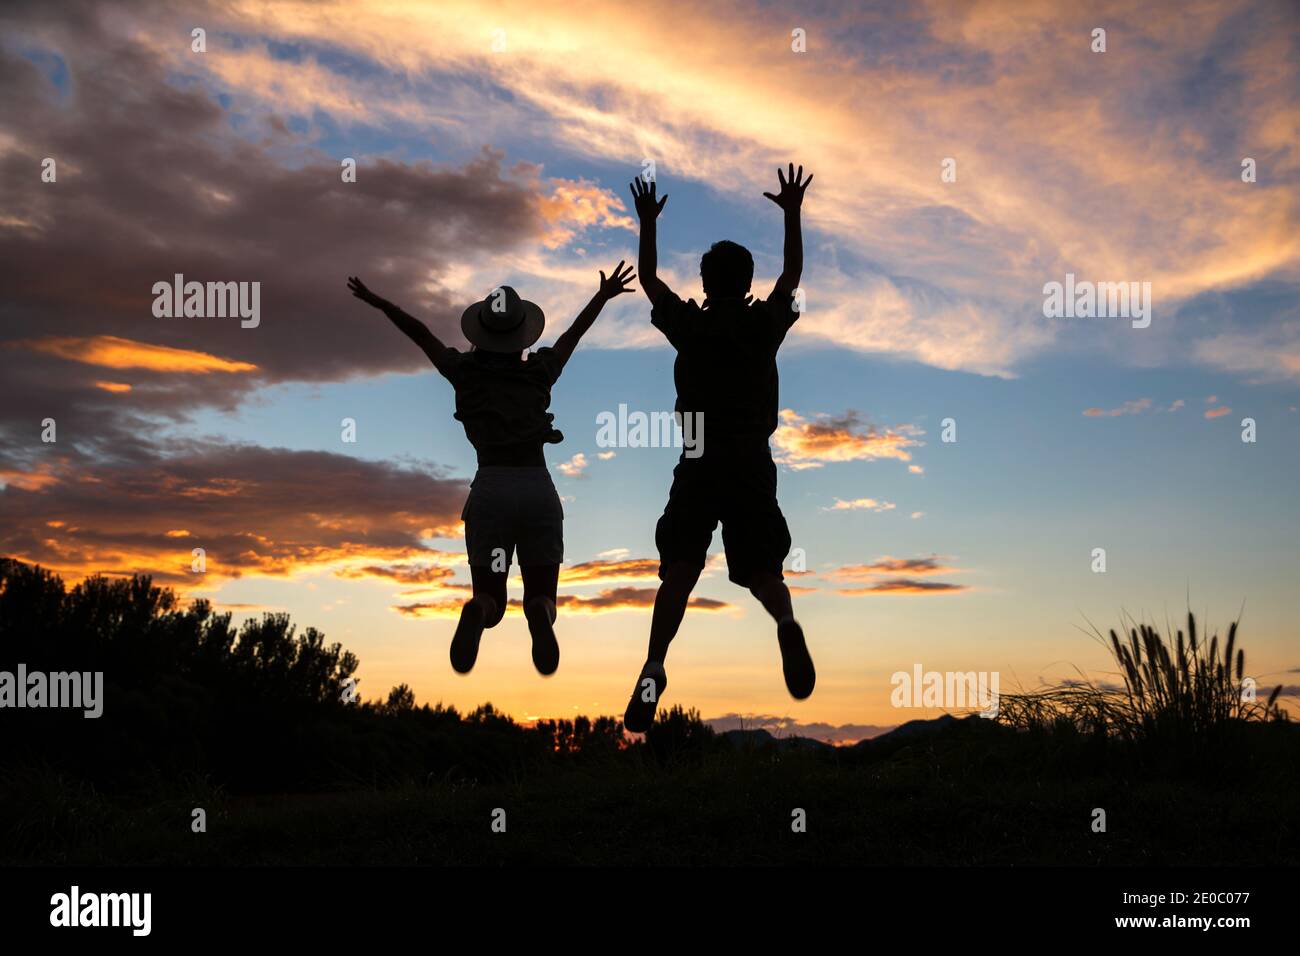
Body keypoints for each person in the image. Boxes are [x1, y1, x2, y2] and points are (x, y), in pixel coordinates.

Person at [347, 263, 635, 676]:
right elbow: (573, 337)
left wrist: (380, 303)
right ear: (521, 337)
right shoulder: (539, 372)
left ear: (480, 333)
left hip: (491, 491)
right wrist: (601, 297)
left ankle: (478, 610)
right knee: (542, 595)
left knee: (492, 599)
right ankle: (539, 614)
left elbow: (422, 334)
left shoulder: (464, 373)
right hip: (537, 490)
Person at [622, 165, 815, 732]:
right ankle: (784, 622)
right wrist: (792, 212)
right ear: (746, 283)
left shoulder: (691, 325)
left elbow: (651, 281)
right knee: (762, 570)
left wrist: (648, 223)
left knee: (678, 571)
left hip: (700, 455)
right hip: (752, 456)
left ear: (706, 284)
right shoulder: (763, 325)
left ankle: (655, 665)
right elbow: (793, 274)